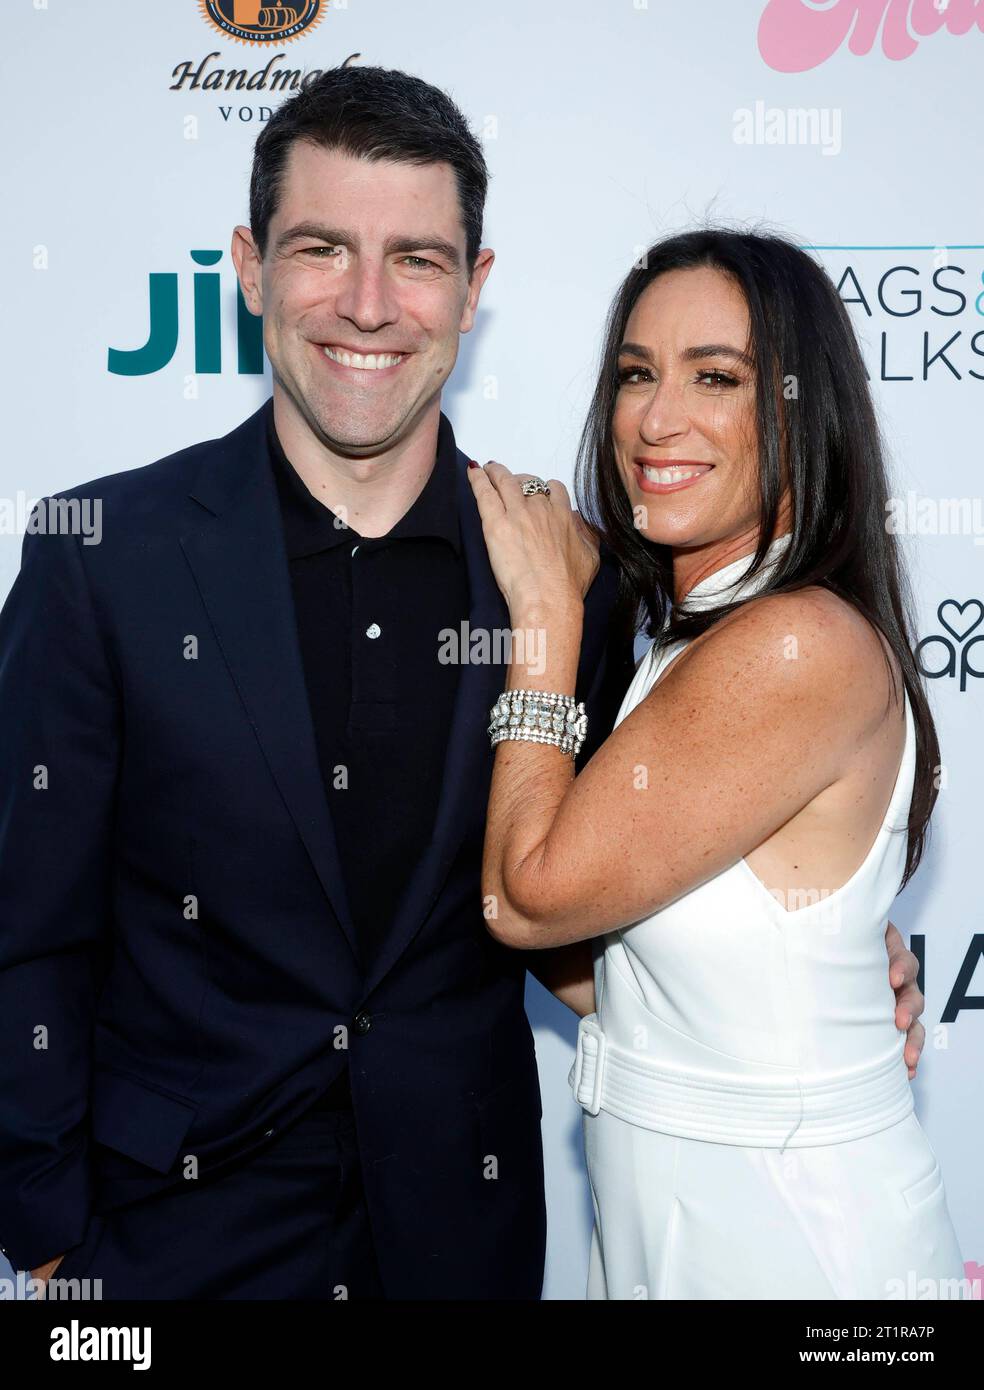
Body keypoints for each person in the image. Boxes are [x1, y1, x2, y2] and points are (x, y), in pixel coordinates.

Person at [0, 66, 923, 1300]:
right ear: (249, 268)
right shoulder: (100, 557)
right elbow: (25, 930)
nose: (369, 305)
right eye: (323, 248)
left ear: (475, 289)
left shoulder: (580, 583)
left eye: (420, 260)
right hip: (163, 1255)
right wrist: (53, 1245)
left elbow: (617, 879)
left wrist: (815, 977)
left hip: (463, 1248)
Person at [467, 228, 963, 1299]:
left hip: (791, 1241)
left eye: (717, 378)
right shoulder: (698, 633)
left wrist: (546, 621)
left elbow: (526, 897)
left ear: (798, 408)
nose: (656, 417)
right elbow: (640, 978)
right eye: (637, 373)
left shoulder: (794, 645)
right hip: (676, 1216)